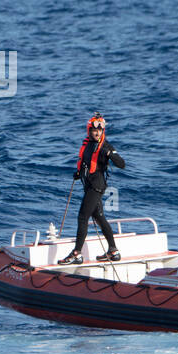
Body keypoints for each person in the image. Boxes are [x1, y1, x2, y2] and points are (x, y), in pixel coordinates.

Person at [58, 113, 125, 265]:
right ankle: (113, 251)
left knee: (83, 217)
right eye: (95, 130)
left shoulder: (105, 146)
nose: (97, 133)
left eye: (100, 130)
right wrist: (79, 173)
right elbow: (86, 162)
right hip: (88, 185)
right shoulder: (88, 144)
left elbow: (122, 164)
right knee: (99, 217)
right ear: (89, 131)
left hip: (97, 186)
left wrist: (110, 154)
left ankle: (77, 253)